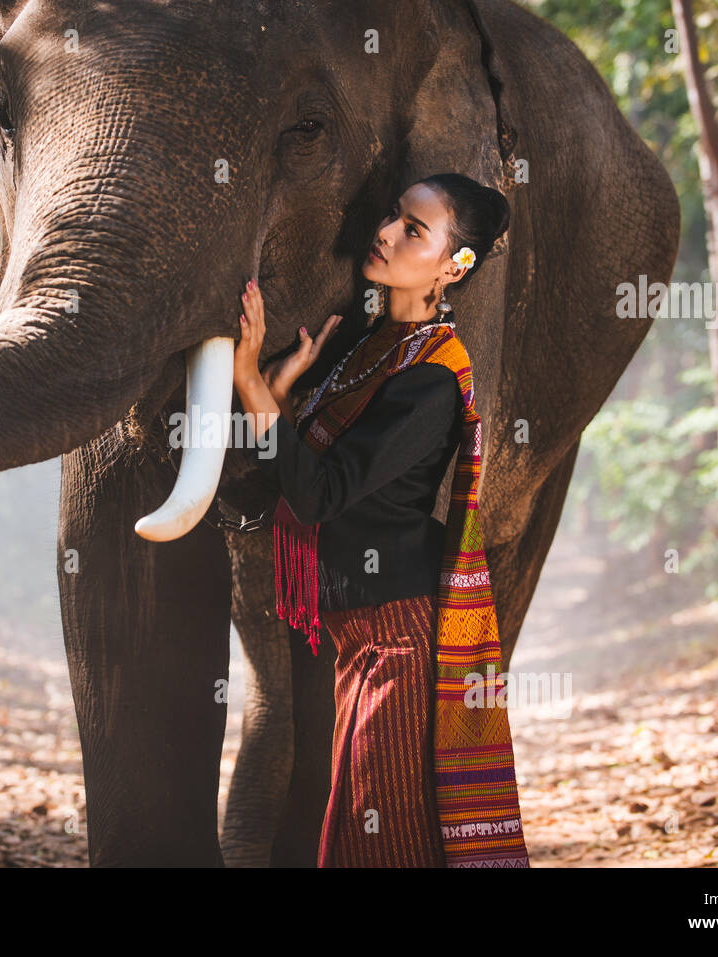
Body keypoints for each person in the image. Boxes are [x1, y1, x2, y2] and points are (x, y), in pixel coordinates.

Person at [232, 173, 530, 867]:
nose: (388, 231)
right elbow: (299, 465)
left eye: (414, 230)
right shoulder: (374, 347)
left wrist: (252, 384)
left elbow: (319, 493)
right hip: (361, 639)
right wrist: (278, 392)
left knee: (370, 844)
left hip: (401, 640)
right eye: (396, 215)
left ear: (453, 268)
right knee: (374, 839)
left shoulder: (429, 377)